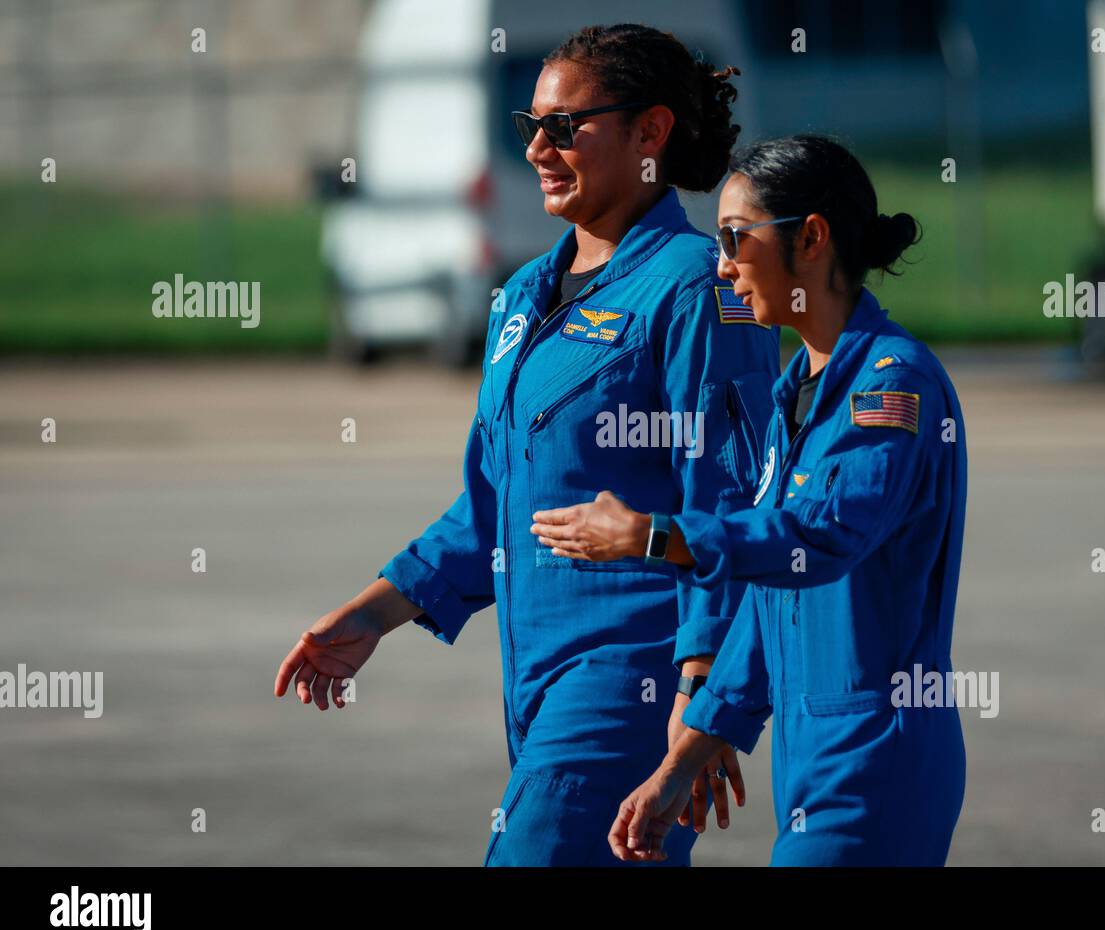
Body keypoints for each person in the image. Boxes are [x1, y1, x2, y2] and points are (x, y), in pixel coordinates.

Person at [273, 24, 779, 866]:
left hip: (633, 677)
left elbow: (726, 503)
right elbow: (490, 504)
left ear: (650, 132)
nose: (541, 148)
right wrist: (374, 611)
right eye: (530, 126)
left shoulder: (697, 289)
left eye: (567, 127)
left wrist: (702, 696)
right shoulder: (519, 297)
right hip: (536, 682)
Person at [531, 134, 968, 865]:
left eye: (736, 238)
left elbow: (820, 540)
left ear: (813, 238)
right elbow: (766, 608)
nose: (723, 263)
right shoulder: (793, 390)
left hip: (876, 764)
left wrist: (650, 536)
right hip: (813, 760)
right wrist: (682, 763)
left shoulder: (894, 384)